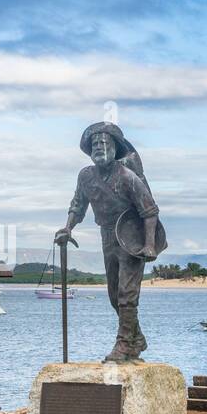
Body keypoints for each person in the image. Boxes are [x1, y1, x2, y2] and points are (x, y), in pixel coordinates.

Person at [55, 122, 161, 362]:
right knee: (114, 295)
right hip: (107, 236)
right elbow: (78, 205)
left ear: (114, 148)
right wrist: (68, 228)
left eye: (104, 143)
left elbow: (150, 211)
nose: (99, 147)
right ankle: (137, 338)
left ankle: (124, 345)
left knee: (127, 294)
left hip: (132, 237)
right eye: (95, 144)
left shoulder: (127, 177)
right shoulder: (85, 176)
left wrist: (150, 244)